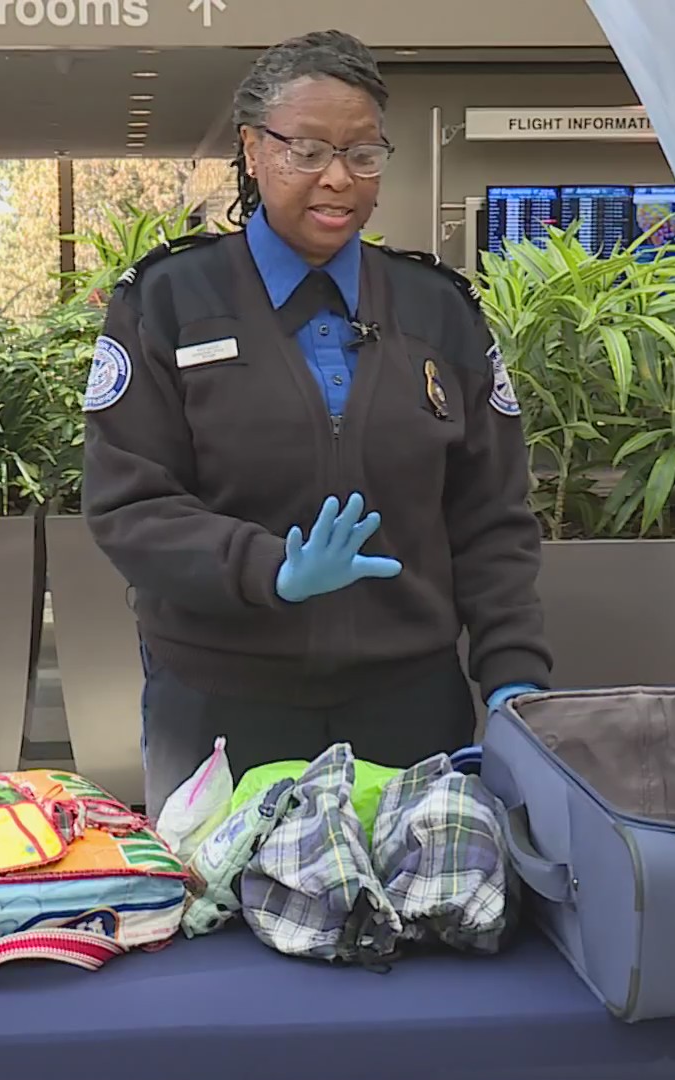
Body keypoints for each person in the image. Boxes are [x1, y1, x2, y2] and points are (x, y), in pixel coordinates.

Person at [81, 29, 552, 812]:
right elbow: (130, 507)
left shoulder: (440, 311)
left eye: (363, 154)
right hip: (222, 705)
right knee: (223, 926)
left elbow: (492, 517)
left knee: (421, 926)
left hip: (409, 708)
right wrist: (266, 568)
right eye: (307, 151)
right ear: (253, 151)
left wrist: (514, 676)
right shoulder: (168, 301)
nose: (338, 179)